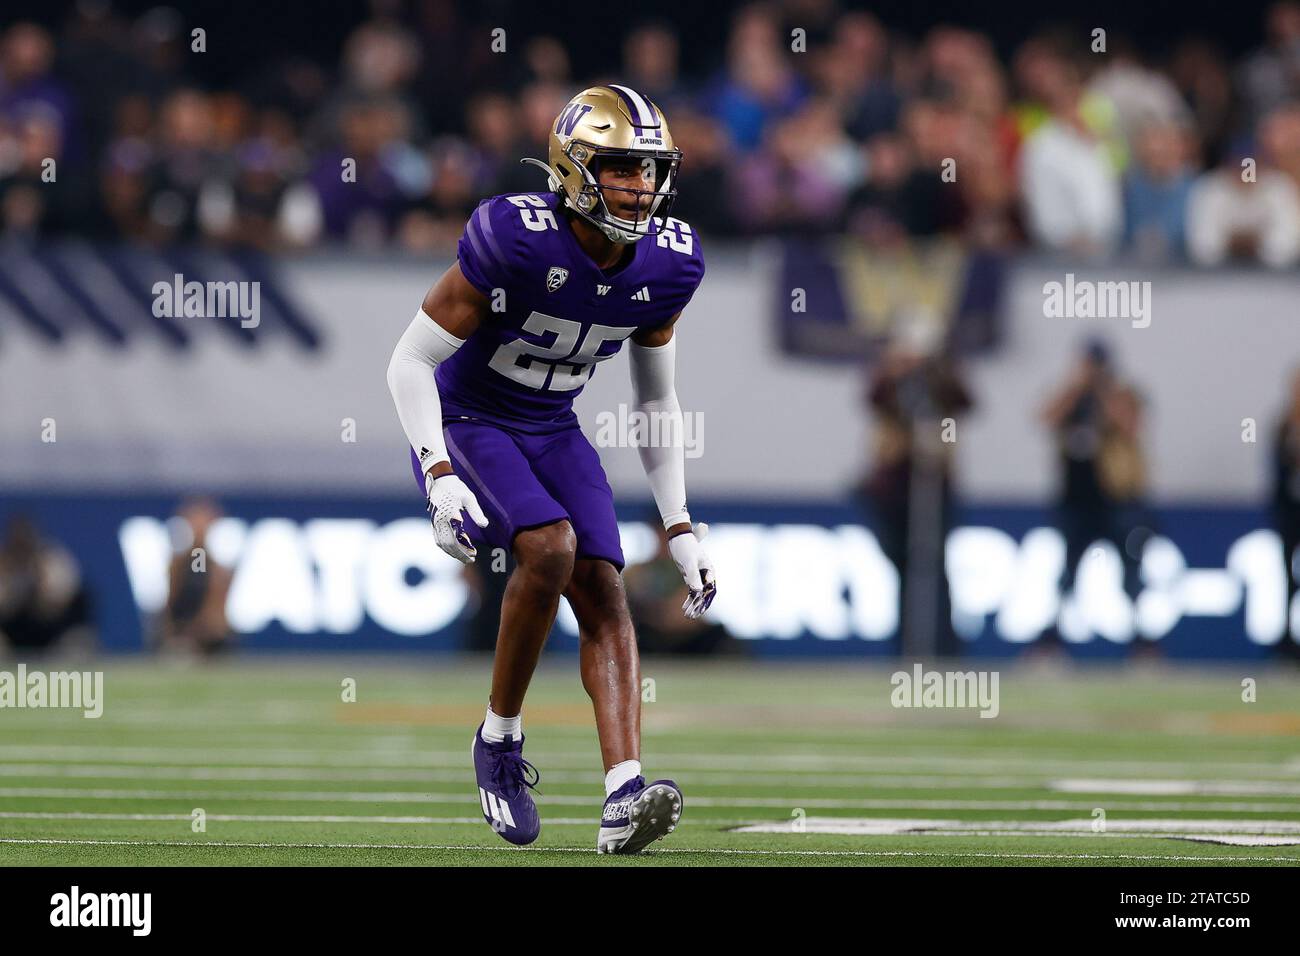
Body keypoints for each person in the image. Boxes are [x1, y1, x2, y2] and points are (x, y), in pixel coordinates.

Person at [386, 85, 712, 854]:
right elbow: (409, 360)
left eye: (650, 169)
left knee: (603, 581)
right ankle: (499, 741)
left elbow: (656, 402)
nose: (639, 185)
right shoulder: (516, 238)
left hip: (552, 427)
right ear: (572, 166)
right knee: (550, 545)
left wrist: (680, 524)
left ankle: (623, 793)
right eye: (620, 166)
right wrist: (437, 473)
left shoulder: (668, 263)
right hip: (468, 419)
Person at [1272, 368, 1300, 657]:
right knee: (1287, 577)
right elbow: (1276, 473)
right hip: (1290, 514)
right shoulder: (1282, 426)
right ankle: (1286, 639)